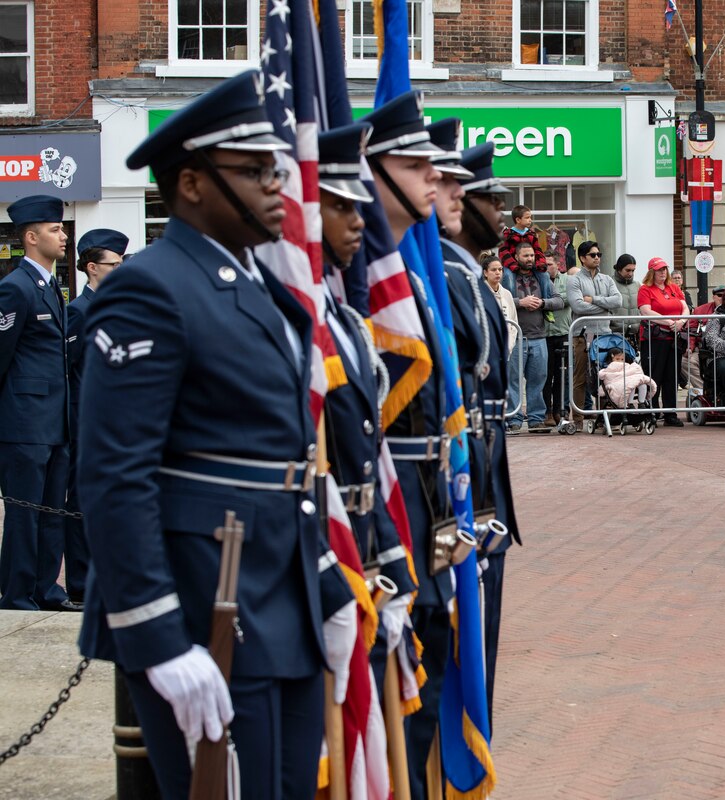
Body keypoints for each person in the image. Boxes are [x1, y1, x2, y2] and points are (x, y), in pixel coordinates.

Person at [76, 71, 357, 797]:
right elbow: (116, 475)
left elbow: (284, 459)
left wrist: (325, 585)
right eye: (256, 169)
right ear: (193, 183)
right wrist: (158, 637)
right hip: (210, 607)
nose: (277, 185)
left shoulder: (255, 285)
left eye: (278, 168)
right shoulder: (152, 287)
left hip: (280, 594)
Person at [362, 90, 458, 800]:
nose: (435, 178)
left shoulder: (409, 273)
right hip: (382, 517)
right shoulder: (367, 273)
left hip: (425, 504)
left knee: (426, 679)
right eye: (419, 163)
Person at [316, 121, 418, 701]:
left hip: (360, 528)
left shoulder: (343, 318)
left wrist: (387, 552)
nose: (362, 221)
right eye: (343, 206)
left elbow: (361, 447)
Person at [450, 142, 521, 722]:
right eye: (492, 200)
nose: (501, 211)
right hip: (458, 492)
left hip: (482, 487)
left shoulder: (472, 279)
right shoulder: (447, 280)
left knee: (480, 647)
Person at [0, 195, 72, 612]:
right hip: (24, 423)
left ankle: (48, 589)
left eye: (62, 229)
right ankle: (17, 593)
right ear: (31, 237)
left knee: (52, 512)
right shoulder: (14, 288)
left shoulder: (48, 286)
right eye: (54, 230)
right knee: (25, 514)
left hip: (54, 423)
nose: (63, 236)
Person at [63, 227, 128, 606]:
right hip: (86, 421)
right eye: (114, 264)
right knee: (81, 503)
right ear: (92, 268)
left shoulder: (115, 306)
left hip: (113, 421)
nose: (120, 270)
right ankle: (81, 582)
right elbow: (71, 371)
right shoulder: (79, 311)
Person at [505, 241, 563, 432]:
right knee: (513, 380)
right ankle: (513, 420)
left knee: (538, 379)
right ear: (516, 257)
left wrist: (543, 303)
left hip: (539, 337)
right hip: (515, 337)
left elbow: (559, 301)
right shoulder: (507, 277)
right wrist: (521, 302)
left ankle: (536, 420)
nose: (530, 259)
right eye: (525, 256)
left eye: (532, 256)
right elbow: (497, 299)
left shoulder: (543, 277)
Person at [566, 241, 621, 426]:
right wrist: (605, 308)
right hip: (582, 335)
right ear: (583, 258)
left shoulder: (606, 279)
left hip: (604, 334)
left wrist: (595, 300)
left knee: (606, 375)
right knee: (580, 377)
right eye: (593, 255)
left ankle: (604, 418)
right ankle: (578, 419)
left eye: (599, 254)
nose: (597, 257)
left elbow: (617, 301)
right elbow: (578, 306)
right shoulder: (575, 280)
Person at [637, 256, 687, 426]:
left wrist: (681, 321)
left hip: (674, 337)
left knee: (672, 375)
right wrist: (669, 322)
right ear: (652, 271)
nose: (663, 272)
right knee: (654, 375)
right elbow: (646, 311)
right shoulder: (645, 289)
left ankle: (670, 413)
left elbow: (685, 307)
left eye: (664, 269)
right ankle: (652, 410)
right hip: (654, 338)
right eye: (659, 270)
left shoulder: (673, 287)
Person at [542, 252, 570, 425]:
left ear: (558, 265)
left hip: (563, 331)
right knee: (546, 375)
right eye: (543, 265)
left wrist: (545, 302)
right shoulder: (540, 280)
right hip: (544, 334)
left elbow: (568, 299)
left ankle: (561, 410)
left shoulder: (568, 281)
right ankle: (547, 412)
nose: (546, 268)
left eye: (549, 265)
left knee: (562, 375)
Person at [483, 254, 518, 355]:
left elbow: (514, 323)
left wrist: (508, 346)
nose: (498, 273)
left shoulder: (507, 294)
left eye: (500, 269)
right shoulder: (480, 292)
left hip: (505, 349)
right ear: (485, 273)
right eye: (493, 270)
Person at [498, 204, 546, 274]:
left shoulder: (531, 234)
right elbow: (503, 252)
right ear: (518, 220)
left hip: (530, 264)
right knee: (508, 276)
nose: (530, 220)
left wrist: (541, 263)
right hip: (511, 266)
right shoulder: (508, 234)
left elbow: (538, 250)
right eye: (527, 218)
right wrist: (513, 265)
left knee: (545, 275)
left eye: (530, 217)